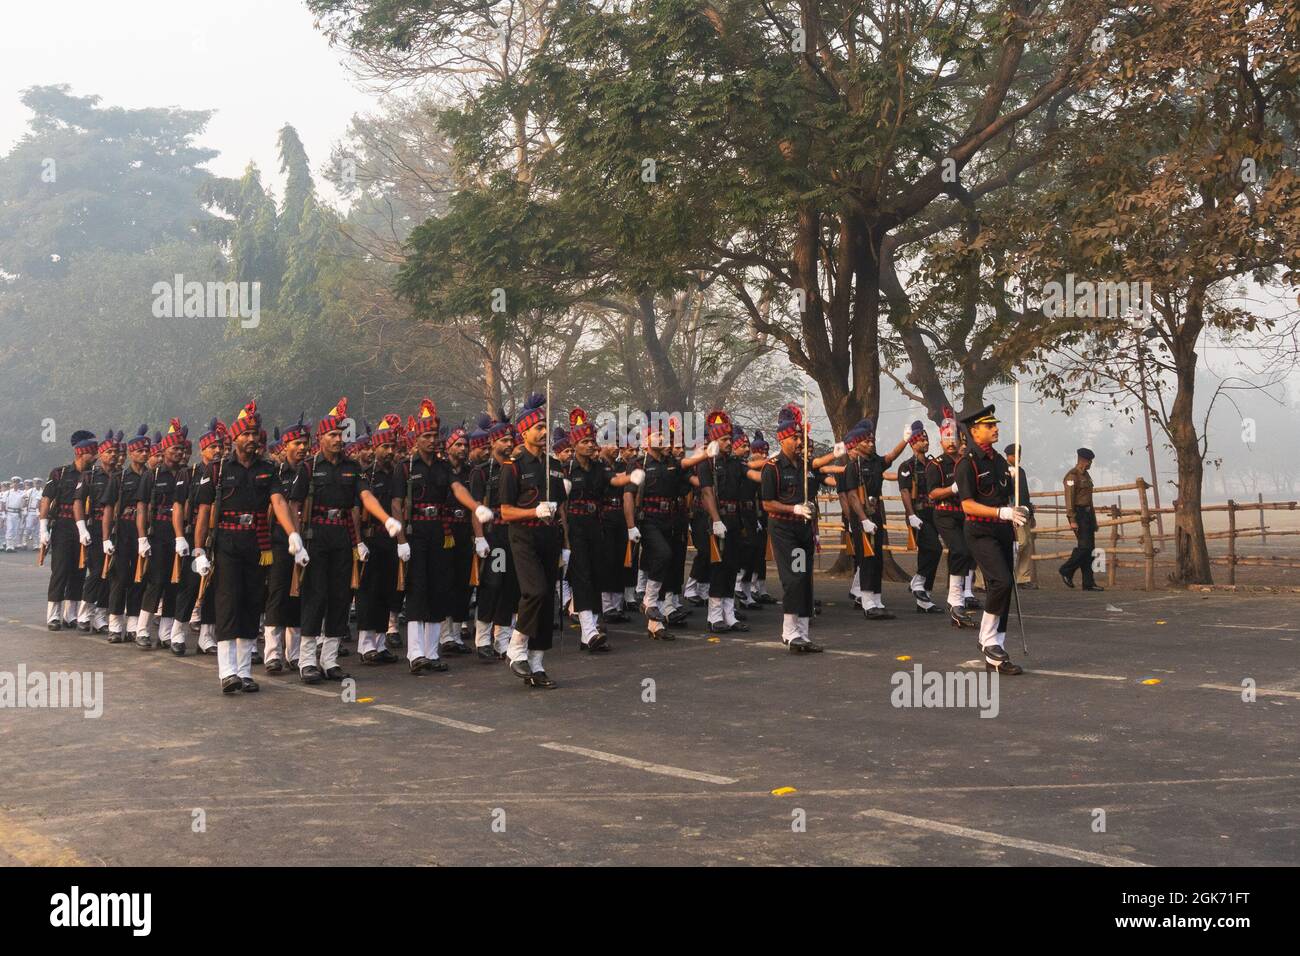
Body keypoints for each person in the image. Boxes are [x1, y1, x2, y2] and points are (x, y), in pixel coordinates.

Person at [191, 401, 297, 693]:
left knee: (252, 603)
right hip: (226, 542)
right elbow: (203, 513)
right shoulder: (217, 469)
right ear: (235, 438)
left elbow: (278, 502)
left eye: (255, 433)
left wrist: (292, 534)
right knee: (228, 603)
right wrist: (198, 550)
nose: (252, 439)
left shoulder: (268, 469)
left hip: (257, 543)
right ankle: (227, 672)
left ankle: (245, 671)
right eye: (246, 434)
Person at [392, 399, 495, 676]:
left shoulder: (442, 467)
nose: (432, 440)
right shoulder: (404, 467)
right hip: (415, 534)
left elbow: (458, 488)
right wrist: (401, 539)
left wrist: (476, 506)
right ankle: (415, 653)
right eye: (426, 436)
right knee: (418, 590)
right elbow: (397, 504)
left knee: (438, 589)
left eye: (434, 436)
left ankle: (432, 652)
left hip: (438, 532)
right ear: (416, 438)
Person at [498, 393, 567, 687]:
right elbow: (504, 510)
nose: (543, 432)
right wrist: (532, 511)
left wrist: (566, 544)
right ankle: (516, 646)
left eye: (545, 427)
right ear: (524, 432)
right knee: (535, 591)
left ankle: (537, 664)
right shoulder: (512, 466)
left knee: (548, 598)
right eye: (537, 427)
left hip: (549, 536)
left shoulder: (553, 465)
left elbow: (562, 509)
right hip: (523, 536)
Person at [955, 405, 1028, 675]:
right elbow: (968, 506)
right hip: (980, 531)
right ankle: (986, 640)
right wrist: (1001, 512)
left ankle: (997, 650)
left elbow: (1003, 497)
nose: (995, 428)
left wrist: (1017, 510)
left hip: (1002, 531)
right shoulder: (967, 464)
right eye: (989, 426)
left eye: (995, 424)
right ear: (974, 431)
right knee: (1001, 581)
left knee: (1006, 588)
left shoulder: (999, 461)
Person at [759, 403, 824, 653]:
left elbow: (822, 472)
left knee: (805, 579)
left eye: (800, 437)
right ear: (782, 439)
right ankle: (789, 631)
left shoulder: (804, 467)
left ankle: (803, 633)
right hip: (785, 530)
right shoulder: (772, 468)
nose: (799, 442)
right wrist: (794, 509)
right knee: (793, 579)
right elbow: (767, 502)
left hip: (803, 530)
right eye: (794, 437)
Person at [838, 418, 908, 621]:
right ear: (857, 443)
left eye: (871, 440)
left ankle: (876, 598)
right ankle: (867, 601)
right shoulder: (853, 467)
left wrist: (905, 441)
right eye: (866, 441)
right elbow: (851, 495)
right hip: (862, 518)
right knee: (867, 559)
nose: (870, 443)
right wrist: (862, 519)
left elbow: (891, 457)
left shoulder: (875, 462)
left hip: (875, 514)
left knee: (877, 558)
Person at [355, 414, 406, 666]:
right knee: (368, 592)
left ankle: (380, 642)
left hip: (389, 539)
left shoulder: (396, 473)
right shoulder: (365, 475)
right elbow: (356, 511)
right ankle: (366, 645)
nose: (389, 451)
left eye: (392, 447)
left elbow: (398, 505)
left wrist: (400, 540)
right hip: (371, 539)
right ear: (375, 448)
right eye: (385, 446)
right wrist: (358, 541)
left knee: (387, 590)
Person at [470, 412, 520, 661]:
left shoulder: (515, 468)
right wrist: (479, 537)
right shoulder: (481, 472)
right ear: (492, 443)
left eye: (511, 440)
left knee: (511, 586)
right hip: (495, 536)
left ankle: (502, 639)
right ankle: (482, 638)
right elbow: (477, 508)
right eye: (503, 440)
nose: (509, 444)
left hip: (514, 535)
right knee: (493, 584)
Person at [40, 430, 96, 629]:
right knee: (61, 570)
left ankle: (70, 614)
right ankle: (53, 615)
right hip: (63, 526)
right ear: (81, 453)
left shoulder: (93, 475)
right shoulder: (60, 473)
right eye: (92, 452)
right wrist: (43, 528)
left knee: (78, 570)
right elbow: (46, 500)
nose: (95, 456)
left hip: (84, 528)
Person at [926, 411, 977, 628]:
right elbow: (933, 493)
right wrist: (952, 488)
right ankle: (955, 599)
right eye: (946, 439)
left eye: (953, 438)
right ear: (941, 441)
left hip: (965, 513)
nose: (950, 443)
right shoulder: (936, 465)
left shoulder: (967, 463)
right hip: (945, 513)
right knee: (959, 549)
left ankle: (963, 594)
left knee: (969, 552)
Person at [103, 426, 150, 643]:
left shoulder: (152, 475)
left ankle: (133, 625)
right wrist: (105, 538)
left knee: (139, 578)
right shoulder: (120, 478)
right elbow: (109, 509)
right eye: (140, 451)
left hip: (145, 531)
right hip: (123, 531)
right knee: (119, 578)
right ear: (131, 453)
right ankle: (115, 626)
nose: (145, 454)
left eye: (147, 450)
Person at [897, 421, 943, 612]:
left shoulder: (933, 464)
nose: (926, 442)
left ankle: (924, 598)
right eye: (921, 440)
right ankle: (917, 582)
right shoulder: (906, 465)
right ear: (913, 444)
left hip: (933, 512)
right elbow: (905, 492)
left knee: (929, 551)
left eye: (926, 439)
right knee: (933, 547)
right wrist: (911, 515)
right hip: (918, 513)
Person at [1059, 447, 1103, 591]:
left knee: (1090, 549)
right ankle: (1066, 570)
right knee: (1084, 547)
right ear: (1084, 460)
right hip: (1078, 514)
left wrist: (1094, 520)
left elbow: (1089, 500)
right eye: (1090, 461)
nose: (1091, 464)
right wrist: (1072, 519)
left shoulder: (1087, 476)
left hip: (1088, 514)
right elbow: (1069, 499)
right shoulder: (1072, 476)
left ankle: (1088, 582)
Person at [1004, 444, 1037, 587]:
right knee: (1019, 543)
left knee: (1026, 544)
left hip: (1024, 511)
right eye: (1015, 455)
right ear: (1009, 455)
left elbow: (1025, 493)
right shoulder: (1003, 470)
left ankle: (1023, 578)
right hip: (1010, 511)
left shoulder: (1021, 471)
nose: (1018, 458)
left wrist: (1031, 513)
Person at [2, 477, 24, 551]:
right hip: (9, 513)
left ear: (19, 484)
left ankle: (12, 545)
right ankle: (8, 546)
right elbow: (3, 503)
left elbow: (24, 503)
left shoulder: (22, 493)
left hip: (17, 513)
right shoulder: (7, 493)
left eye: (17, 483)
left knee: (15, 529)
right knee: (10, 529)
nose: (15, 484)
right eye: (14, 482)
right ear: (12, 483)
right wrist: (3, 514)